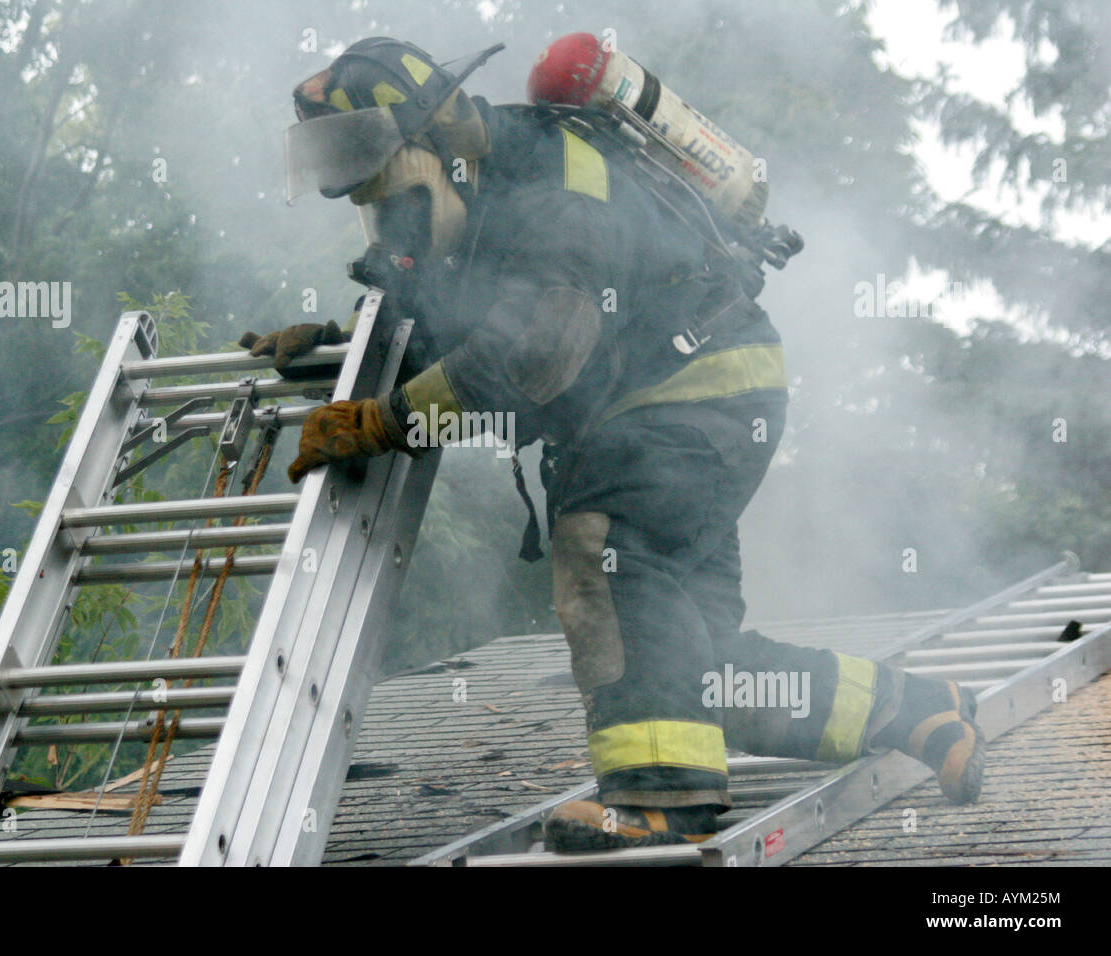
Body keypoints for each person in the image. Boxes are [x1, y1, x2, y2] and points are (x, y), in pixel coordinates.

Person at [245, 36, 986, 852]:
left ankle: (659, 799)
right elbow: (463, 334)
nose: (390, 222)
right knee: (696, 669)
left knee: (605, 555)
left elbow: (535, 348)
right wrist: (335, 353)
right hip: (682, 403)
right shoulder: (484, 200)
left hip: (688, 393)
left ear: (441, 139)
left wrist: (386, 424)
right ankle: (920, 709)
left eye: (393, 194)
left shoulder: (555, 185)